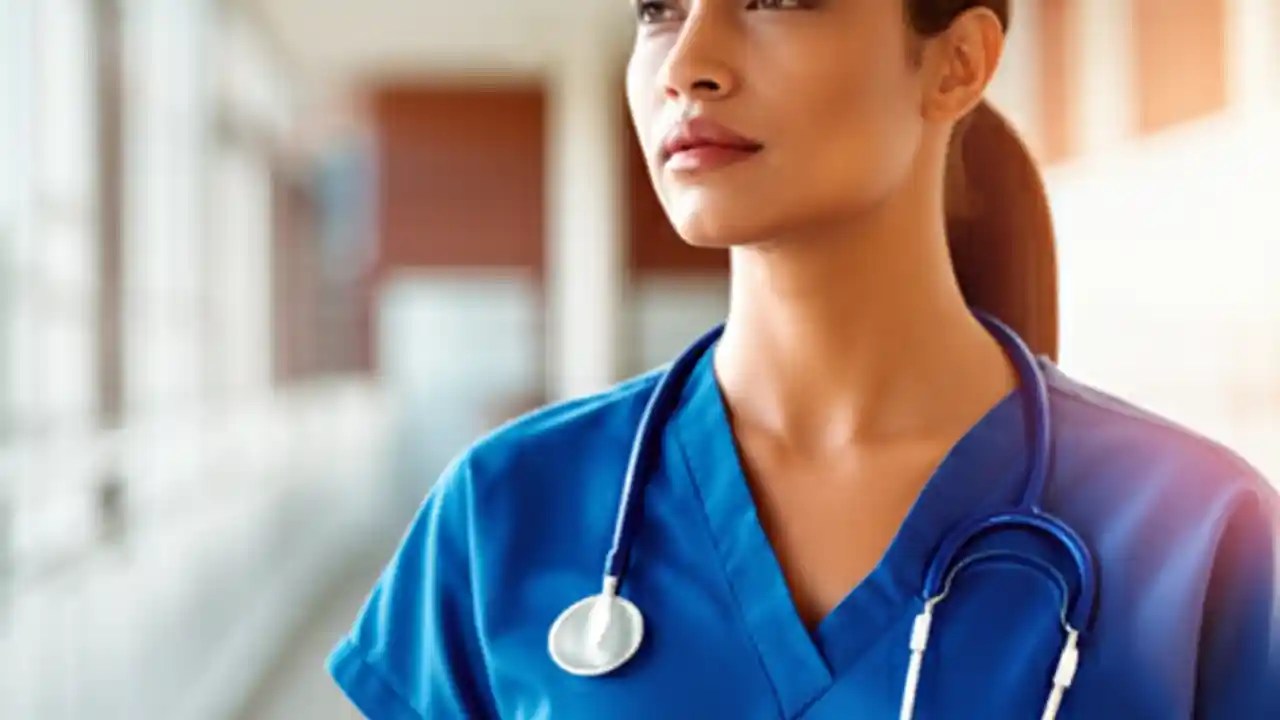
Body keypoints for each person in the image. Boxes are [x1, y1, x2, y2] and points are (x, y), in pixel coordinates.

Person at [326, 1, 1280, 717]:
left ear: (956, 64)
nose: (686, 62)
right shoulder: (502, 515)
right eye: (658, 8)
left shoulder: (1204, 538)